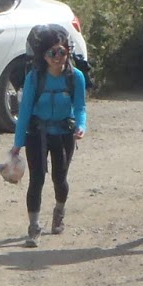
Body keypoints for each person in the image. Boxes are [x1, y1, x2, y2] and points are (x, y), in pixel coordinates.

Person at [8, 27, 88, 248]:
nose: (58, 58)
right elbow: (24, 112)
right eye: (52, 53)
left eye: (62, 52)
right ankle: (34, 228)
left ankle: (59, 212)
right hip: (37, 134)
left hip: (64, 134)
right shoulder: (35, 78)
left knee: (59, 179)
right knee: (37, 179)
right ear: (43, 56)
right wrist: (17, 144)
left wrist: (81, 126)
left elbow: (80, 106)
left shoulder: (76, 77)